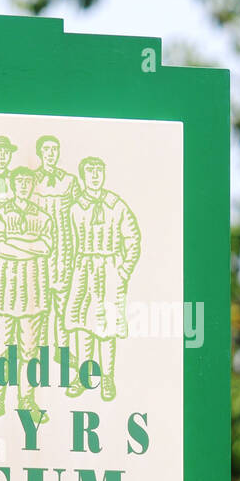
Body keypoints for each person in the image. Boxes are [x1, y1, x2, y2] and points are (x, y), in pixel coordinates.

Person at [64, 156, 141, 401]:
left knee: (106, 328)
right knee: (82, 326)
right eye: (90, 171)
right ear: (83, 175)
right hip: (82, 269)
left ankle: (107, 378)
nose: (95, 175)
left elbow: (132, 238)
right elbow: (67, 244)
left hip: (108, 269)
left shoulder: (116, 205)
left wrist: (123, 270)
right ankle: (85, 376)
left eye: (99, 170)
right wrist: (65, 275)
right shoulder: (75, 207)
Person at [0, 167, 54, 423]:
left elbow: (46, 247)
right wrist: (30, 246)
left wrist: (15, 243)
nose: (24, 185)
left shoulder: (44, 217)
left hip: (33, 295)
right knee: (0, 352)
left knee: (29, 353)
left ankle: (27, 402)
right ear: (13, 184)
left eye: (27, 181)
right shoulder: (0, 215)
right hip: (4, 294)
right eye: (19, 181)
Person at [31, 135, 78, 360]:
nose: (51, 153)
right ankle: (38, 351)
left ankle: (63, 351)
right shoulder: (30, 180)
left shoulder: (69, 181)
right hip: (39, 252)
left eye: (54, 149)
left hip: (63, 250)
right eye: (47, 149)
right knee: (40, 304)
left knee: (62, 304)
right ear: (39, 153)